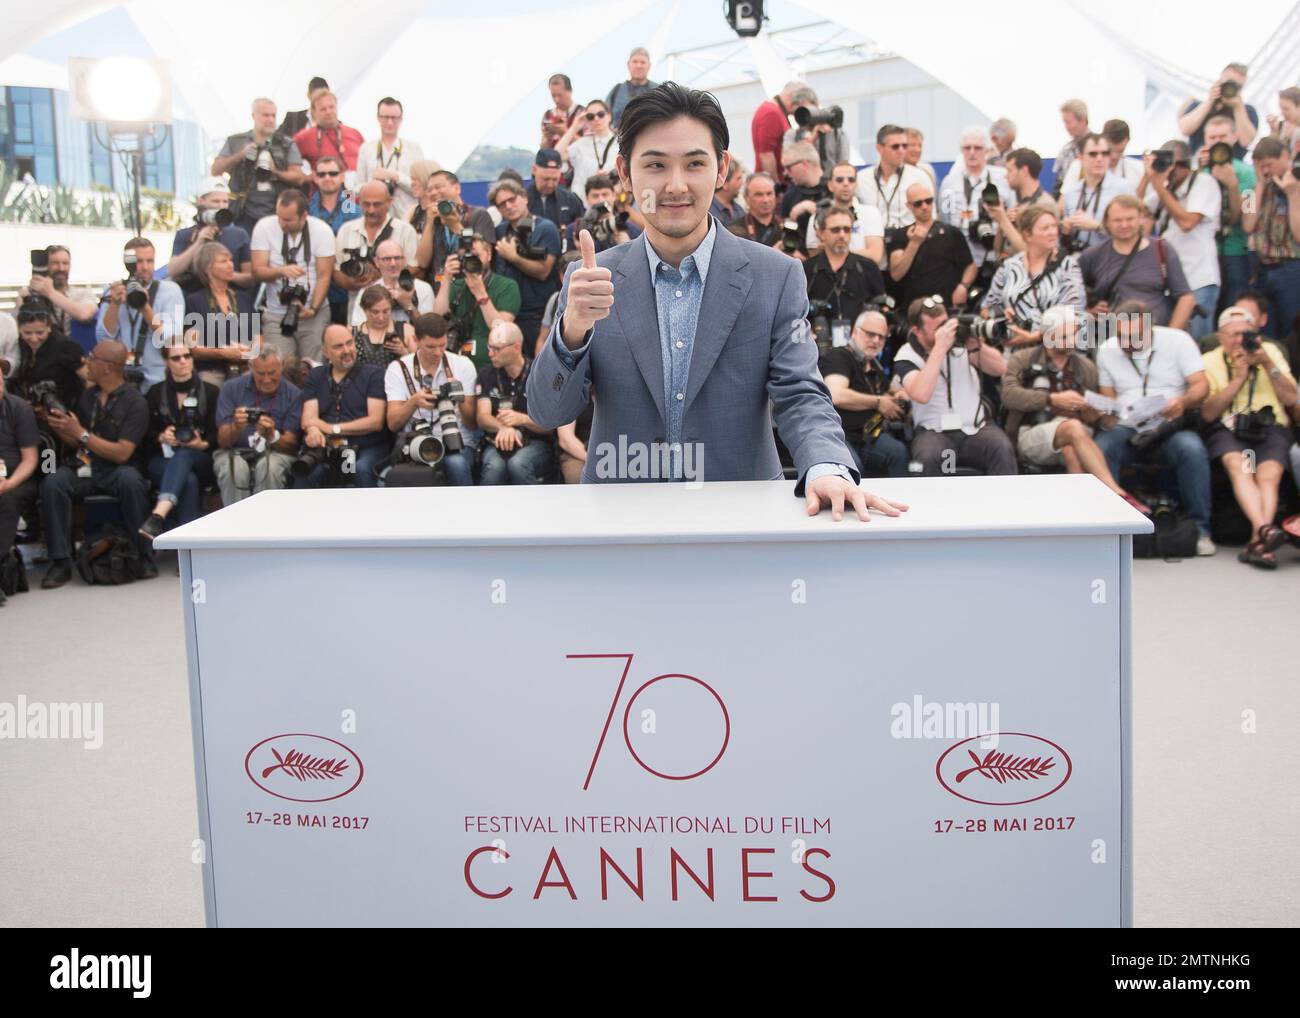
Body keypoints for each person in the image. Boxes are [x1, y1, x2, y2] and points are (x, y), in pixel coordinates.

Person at [528, 82, 906, 520]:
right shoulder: (590, 279)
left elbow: (801, 391)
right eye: (655, 164)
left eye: (694, 163)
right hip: (622, 521)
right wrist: (573, 330)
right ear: (625, 173)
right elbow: (547, 410)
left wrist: (826, 466)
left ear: (722, 168)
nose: (675, 185)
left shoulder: (775, 276)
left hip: (742, 520)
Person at [1094, 300, 1214, 554]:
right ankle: (1111, 529)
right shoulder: (1107, 349)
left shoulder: (1178, 341)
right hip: (1128, 426)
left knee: (1192, 449)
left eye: (1134, 336)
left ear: (1150, 329)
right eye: (1122, 336)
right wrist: (1102, 412)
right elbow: (1109, 399)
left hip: (1168, 424)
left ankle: (1201, 530)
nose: (1127, 342)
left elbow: (1201, 386)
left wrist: (1183, 401)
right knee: (1103, 447)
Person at [38, 340, 156, 588]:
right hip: (86, 467)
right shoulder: (88, 397)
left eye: (92, 357)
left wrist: (79, 433)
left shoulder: (135, 402)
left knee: (132, 481)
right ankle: (60, 561)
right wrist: (59, 426)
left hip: (118, 469)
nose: (86, 362)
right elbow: (76, 442)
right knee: (53, 482)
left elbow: (123, 453)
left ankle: (144, 555)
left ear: (108, 367)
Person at [1001, 306, 1139, 505]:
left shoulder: (1085, 367)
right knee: (1071, 428)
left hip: (1077, 434)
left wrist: (1094, 412)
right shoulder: (1022, 359)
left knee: (1071, 448)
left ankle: (1087, 514)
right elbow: (1008, 395)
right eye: (1065, 336)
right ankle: (1116, 494)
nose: (1072, 341)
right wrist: (1051, 399)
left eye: (1074, 334)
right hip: (1032, 432)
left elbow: (1093, 420)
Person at [1199, 306, 1297, 567]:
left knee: (1269, 476)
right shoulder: (1210, 360)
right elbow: (1208, 414)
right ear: (1220, 336)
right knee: (1240, 467)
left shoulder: (1271, 353)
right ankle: (1265, 532)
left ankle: (1259, 539)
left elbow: (1291, 398)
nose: (1240, 340)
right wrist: (1239, 377)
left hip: (1269, 427)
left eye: (1246, 334)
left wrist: (1267, 364)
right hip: (1231, 430)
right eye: (1233, 335)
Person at [893, 296, 1015, 476]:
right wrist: (939, 349)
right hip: (933, 430)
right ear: (917, 331)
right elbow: (921, 394)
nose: (944, 331)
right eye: (937, 329)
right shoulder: (906, 355)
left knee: (1002, 447)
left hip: (976, 428)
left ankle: (1004, 503)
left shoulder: (960, 342)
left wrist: (974, 344)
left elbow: (1000, 368)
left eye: (945, 324)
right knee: (927, 457)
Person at [1139, 141, 1222, 341]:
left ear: (1186, 164)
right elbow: (1134, 211)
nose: (1170, 170)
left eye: (1174, 165)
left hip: (1199, 279)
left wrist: (1159, 186)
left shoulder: (1203, 182)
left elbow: (1187, 222)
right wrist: (1147, 177)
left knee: (1198, 344)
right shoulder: (1163, 190)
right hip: (1171, 283)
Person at [385, 312, 478, 487]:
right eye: (430, 346)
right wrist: (413, 402)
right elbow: (393, 424)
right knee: (387, 476)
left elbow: (472, 424)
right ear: (416, 340)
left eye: (442, 345)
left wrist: (460, 398)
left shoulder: (463, 365)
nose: (438, 352)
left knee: (455, 464)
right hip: (418, 444)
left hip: (457, 442)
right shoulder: (398, 368)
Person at [139, 342, 220, 542]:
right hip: (164, 458)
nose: (183, 361)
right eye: (176, 358)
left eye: (187, 356)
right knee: (189, 482)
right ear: (166, 362)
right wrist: (161, 436)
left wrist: (202, 443)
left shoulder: (210, 392)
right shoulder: (155, 393)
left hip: (200, 458)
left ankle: (158, 514)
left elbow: (218, 434)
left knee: (185, 457)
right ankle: (188, 547)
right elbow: (144, 432)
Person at [1080, 195, 1195, 330]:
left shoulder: (1162, 249)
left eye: (1130, 219)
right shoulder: (1093, 255)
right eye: (1117, 220)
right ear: (1107, 222)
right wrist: (1087, 310)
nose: (1124, 225)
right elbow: (1071, 292)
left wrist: (1171, 333)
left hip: (1157, 333)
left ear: (1141, 219)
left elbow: (1186, 297)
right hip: (1113, 338)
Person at [818, 309, 909, 478]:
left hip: (867, 437)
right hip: (838, 435)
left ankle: (900, 503)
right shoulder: (839, 356)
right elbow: (836, 394)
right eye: (870, 334)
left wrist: (898, 396)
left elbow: (888, 391)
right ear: (855, 331)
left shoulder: (874, 365)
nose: (876, 341)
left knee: (899, 452)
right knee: (853, 466)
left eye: (881, 337)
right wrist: (878, 402)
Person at [296, 325, 388, 488]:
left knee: (359, 469)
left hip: (366, 446)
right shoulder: (316, 375)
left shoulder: (374, 374)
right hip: (327, 446)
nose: (346, 350)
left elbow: (375, 421)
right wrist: (313, 430)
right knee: (305, 470)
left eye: (349, 343)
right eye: (338, 346)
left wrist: (332, 428)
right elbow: (308, 418)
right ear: (325, 352)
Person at [250, 189, 336, 362]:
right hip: (276, 313)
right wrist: (281, 271)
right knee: (281, 365)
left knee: (315, 366)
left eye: (288, 220)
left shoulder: (322, 230)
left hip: (313, 312)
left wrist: (313, 309)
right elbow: (257, 271)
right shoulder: (264, 226)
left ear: (304, 216)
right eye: (279, 217)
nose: (282, 223)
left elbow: (324, 276)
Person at [981, 206, 1085, 349]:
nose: (1052, 232)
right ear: (1027, 235)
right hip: (1014, 351)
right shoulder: (1009, 266)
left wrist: (1036, 336)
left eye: (1054, 226)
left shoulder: (1067, 265)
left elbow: (1076, 315)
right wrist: (1001, 316)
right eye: (1045, 228)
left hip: (1053, 349)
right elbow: (987, 307)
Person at [213, 350, 302, 504]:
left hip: (275, 452)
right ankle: (236, 523)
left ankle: (266, 524)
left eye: (272, 373)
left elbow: (292, 447)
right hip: (235, 450)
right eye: (260, 374)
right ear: (250, 368)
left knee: (270, 468)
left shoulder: (294, 394)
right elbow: (222, 441)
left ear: (282, 367)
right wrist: (236, 427)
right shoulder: (230, 388)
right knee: (233, 468)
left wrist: (272, 435)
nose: (267, 379)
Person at [95, 237, 183, 390]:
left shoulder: (170, 290)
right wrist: (114, 306)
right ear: (127, 264)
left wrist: (145, 307)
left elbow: (170, 339)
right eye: (139, 261)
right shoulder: (114, 290)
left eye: (150, 261)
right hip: (120, 379)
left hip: (157, 380)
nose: (145, 267)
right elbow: (103, 339)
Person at [212, 98, 308, 236]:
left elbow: (298, 177)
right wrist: (240, 155)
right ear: (253, 116)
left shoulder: (286, 143)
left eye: (273, 115)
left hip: (277, 209)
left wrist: (275, 171)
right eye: (265, 115)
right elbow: (216, 170)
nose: (270, 120)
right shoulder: (236, 141)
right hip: (242, 209)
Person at [477, 321, 553, 485]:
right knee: (494, 468)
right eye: (489, 347)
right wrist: (503, 427)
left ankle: (533, 509)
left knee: (518, 464)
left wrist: (522, 419)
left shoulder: (539, 374)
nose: (490, 353)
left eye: (496, 348)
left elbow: (551, 425)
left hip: (535, 441)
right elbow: (482, 417)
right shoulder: (487, 374)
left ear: (516, 347)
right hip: (497, 440)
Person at [1241, 137, 1300, 344]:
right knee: (1264, 332)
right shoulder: (1250, 188)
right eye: (1261, 165)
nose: (1266, 170)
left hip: (1290, 268)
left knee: (1290, 329)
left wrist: (1293, 195)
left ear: (1284, 157)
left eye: (1269, 165)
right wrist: (1259, 185)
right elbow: (1247, 225)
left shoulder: (1296, 184)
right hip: (1259, 269)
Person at [333, 181, 420, 320]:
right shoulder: (346, 230)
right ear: (359, 202)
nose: (371, 210)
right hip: (358, 311)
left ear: (390, 202)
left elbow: (416, 269)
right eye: (366, 204)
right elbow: (337, 271)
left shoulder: (405, 231)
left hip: (397, 311)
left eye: (377, 204)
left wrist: (381, 277)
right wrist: (353, 282)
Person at [432, 231, 521, 368]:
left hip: (489, 364)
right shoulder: (456, 285)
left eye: (476, 256)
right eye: (467, 257)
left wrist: (480, 294)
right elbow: (437, 317)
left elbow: (501, 330)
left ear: (489, 254)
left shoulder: (507, 286)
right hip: (457, 362)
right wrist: (447, 279)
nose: (471, 261)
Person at [490, 179, 561, 350]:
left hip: (537, 315)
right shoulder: (499, 231)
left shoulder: (545, 228)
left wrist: (513, 257)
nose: (508, 206)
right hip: (508, 315)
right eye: (502, 204)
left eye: (512, 200)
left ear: (524, 198)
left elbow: (544, 271)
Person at [937, 126, 1012, 281]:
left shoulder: (1002, 178)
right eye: (967, 148)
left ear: (986, 150)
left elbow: (1013, 213)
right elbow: (944, 221)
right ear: (961, 150)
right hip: (961, 258)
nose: (972, 152)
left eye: (977, 148)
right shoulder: (949, 182)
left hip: (995, 256)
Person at [886, 183, 976, 309]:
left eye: (928, 201)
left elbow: (970, 266)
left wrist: (963, 286)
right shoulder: (901, 236)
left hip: (947, 305)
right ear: (909, 206)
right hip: (914, 307)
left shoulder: (951, 232)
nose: (925, 206)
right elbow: (896, 274)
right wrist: (914, 243)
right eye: (918, 203)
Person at [1199, 115, 1254, 310]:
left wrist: (1232, 186)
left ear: (1234, 137)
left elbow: (1246, 214)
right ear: (1205, 140)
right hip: (1204, 251)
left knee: (1234, 306)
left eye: (1223, 136)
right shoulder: (1199, 172)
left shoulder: (1247, 173)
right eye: (1212, 138)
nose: (1218, 142)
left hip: (1235, 251)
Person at [184, 242, 258, 387]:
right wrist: (223, 353)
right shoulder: (195, 301)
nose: (230, 265)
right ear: (208, 269)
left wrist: (248, 352)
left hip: (245, 368)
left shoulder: (243, 298)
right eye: (224, 261)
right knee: (209, 387)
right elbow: (193, 347)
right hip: (211, 370)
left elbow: (258, 337)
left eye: (230, 260)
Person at [168, 178, 253, 298]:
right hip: (195, 304)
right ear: (201, 201)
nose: (221, 206)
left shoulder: (239, 234)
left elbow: (250, 278)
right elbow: (173, 271)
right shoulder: (185, 235)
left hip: (231, 303)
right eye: (215, 201)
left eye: (225, 202)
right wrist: (198, 242)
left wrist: (225, 273)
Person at [804, 207, 886, 330]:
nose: (842, 235)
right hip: (817, 343)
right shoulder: (806, 269)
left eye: (847, 229)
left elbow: (881, 309)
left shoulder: (868, 267)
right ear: (821, 233)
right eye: (835, 230)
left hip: (858, 344)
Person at [1057, 132, 1136, 255]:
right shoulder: (1072, 192)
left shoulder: (1124, 189)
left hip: (1113, 259)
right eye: (1093, 154)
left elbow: (1134, 231)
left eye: (1104, 153)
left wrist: (1097, 226)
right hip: (1079, 261)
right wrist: (1066, 229)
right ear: (1081, 158)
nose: (1099, 159)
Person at [416, 169, 496, 287]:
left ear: (457, 188)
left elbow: (483, 256)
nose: (433, 193)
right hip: (440, 289)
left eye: (438, 187)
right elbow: (422, 263)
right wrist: (429, 224)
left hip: (471, 286)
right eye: (429, 190)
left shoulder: (478, 215)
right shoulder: (432, 220)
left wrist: (455, 226)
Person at [307, 155, 362, 325]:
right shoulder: (307, 207)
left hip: (346, 284)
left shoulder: (350, 203)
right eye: (322, 174)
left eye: (333, 173)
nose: (327, 178)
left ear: (342, 176)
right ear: (315, 178)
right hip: (316, 286)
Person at [0, 370, 40, 604]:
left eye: (1, 380)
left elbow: (31, 459)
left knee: (6, 500)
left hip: (17, 479)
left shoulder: (17, 409)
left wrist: (8, 483)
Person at [354, 97, 425, 220]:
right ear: (378, 118)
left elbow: (421, 189)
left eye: (394, 118)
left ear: (401, 119)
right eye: (385, 117)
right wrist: (373, 185)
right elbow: (356, 189)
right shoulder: (366, 149)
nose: (390, 122)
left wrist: (396, 177)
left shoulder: (414, 149)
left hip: (407, 217)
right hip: (374, 217)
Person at [805, 162, 884, 265]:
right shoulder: (817, 216)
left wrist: (832, 250)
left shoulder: (871, 213)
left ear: (856, 184)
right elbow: (813, 257)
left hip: (862, 276)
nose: (846, 184)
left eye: (851, 180)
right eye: (839, 180)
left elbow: (875, 256)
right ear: (830, 185)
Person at [11, 304, 85, 414]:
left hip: (67, 410)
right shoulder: (22, 344)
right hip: (37, 409)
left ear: (49, 327)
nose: (34, 339)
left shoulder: (66, 347)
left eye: (40, 333)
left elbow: (88, 379)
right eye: (27, 333)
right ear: (19, 329)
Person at [859, 125, 931, 233]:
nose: (901, 151)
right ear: (879, 148)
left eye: (904, 146)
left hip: (909, 240)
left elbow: (931, 216)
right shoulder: (862, 179)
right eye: (895, 146)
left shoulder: (919, 177)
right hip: (873, 241)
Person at [1178, 63, 1259, 159]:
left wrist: (1238, 108)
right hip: (1199, 161)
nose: (1233, 88)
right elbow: (1184, 129)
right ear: (1219, 81)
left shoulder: (1247, 111)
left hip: (1230, 166)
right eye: (1230, 83)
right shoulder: (1198, 105)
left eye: (1238, 87)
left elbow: (1246, 141)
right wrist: (1210, 101)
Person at [349, 239, 433, 329]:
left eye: (397, 258)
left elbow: (430, 330)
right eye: (386, 259)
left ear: (404, 260)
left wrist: (408, 305)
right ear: (376, 262)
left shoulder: (423, 288)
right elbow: (358, 328)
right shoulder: (367, 292)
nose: (393, 263)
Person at [19, 245, 97, 337]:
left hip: (74, 349)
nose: (61, 268)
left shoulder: (82, 294)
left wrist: (50, 293)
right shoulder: (30, 295)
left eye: (65, 263)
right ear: (45, 265)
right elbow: (19, 329)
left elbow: (84, 315)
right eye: (55, 263)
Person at [990, 148, 1055, 254]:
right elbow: (998, 250)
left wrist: (1003, 220)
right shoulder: (1018, 204)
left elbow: (1032, 253)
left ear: (1024, 171)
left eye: (1010, 170)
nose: (1006, 176)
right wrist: (1002, 225)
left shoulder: (1045, 206)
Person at [782, 88, 851, 186]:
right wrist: (812, 139)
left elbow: (844, 165)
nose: (804, 115)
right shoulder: (792, 135)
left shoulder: (837, 133)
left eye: (807, 110)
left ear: (817, 106)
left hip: (832, 186)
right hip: (803, 187)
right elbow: (787, 161)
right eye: (800, 112)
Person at [293, 91, 363, 181]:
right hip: (325, 191)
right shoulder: (305, 137)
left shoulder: (354, 134)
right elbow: (287, 158)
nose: (328, 112)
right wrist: (305, 178)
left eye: (331, 107)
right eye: (323, 109)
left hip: (352, 190)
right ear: (313, 113)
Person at [557, 99, 620, 197]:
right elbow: (556, 156)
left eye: (600, 114)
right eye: (591, 117)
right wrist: (574, 127)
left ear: (609, 116)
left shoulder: (621, 144)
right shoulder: (581, 144)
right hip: (582, 205)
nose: (596, 119)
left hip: (613, 204)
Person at [751, 81, 809, 186]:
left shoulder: (776, 111)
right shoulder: (771, 112)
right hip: (772, 186)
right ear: (793, 96)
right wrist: (776, 188)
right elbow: (766, 155)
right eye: (801, 104)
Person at [527, 148, 586, 247]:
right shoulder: (523, 200)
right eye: (545, 179)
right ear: (534, 170)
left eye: (555, 179)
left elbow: (582, 226)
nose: (550, 184)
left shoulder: (570, 200)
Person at [779, 142, 829, 256]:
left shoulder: (833, 188)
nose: (786, 174)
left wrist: (815, 209)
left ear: (804, 164)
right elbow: (784, 233)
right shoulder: (790, 195)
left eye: (788, 168)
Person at [351, 284, 416, 370]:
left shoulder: (406, 330)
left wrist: (404, 353)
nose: (381, 318)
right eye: (375, 312)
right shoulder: (353, 334)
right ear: (365, 310)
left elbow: (419, 366)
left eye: (385, 311)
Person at [606, 47, 657, 128]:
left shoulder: (659, 91)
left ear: (649, 66)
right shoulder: (616, 91)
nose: (639, 66)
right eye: (635, 62)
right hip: (620, 138)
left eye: (643, 62)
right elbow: (603, 119)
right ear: (628, 64)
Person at [728, 172, 783, 247]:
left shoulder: (785, 226)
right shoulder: (735, 230)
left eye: (769, 193)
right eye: (759, 195)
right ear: (746, 198)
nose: (766, 200)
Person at [1054, 99, 1091, 196]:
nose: (1065, 127)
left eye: (1068, 122)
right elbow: (1059, 184)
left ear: (1083, 120)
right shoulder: (1065, 151)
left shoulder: (1101, 148)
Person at [540, 73, 585, 151]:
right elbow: (543, 149)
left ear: (570, 91)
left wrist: (565, 132)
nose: (556, 100)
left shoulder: (583, 113)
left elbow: (589, 146)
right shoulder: (548, 115)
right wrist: (548, 138)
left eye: (560, 95)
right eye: (553, 96)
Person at [1102, 119, 1144, 186]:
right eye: (1109, 151)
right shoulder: (1084, 167)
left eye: (1120, 151)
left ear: (1128, 141)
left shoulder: (1140, 169)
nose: (1114, 156)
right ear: (1102, 140)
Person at [710, 158, 746, 225]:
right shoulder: (708, 212)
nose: (742, 183)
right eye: (738, 178)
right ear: (725, 183)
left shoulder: (739, 210)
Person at [1268, 86, 1300, 155]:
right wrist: (1273, 131)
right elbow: (1269, 153)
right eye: (1281, 108)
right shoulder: (1282, 125)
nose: (1282, 113)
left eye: (1286, 109)